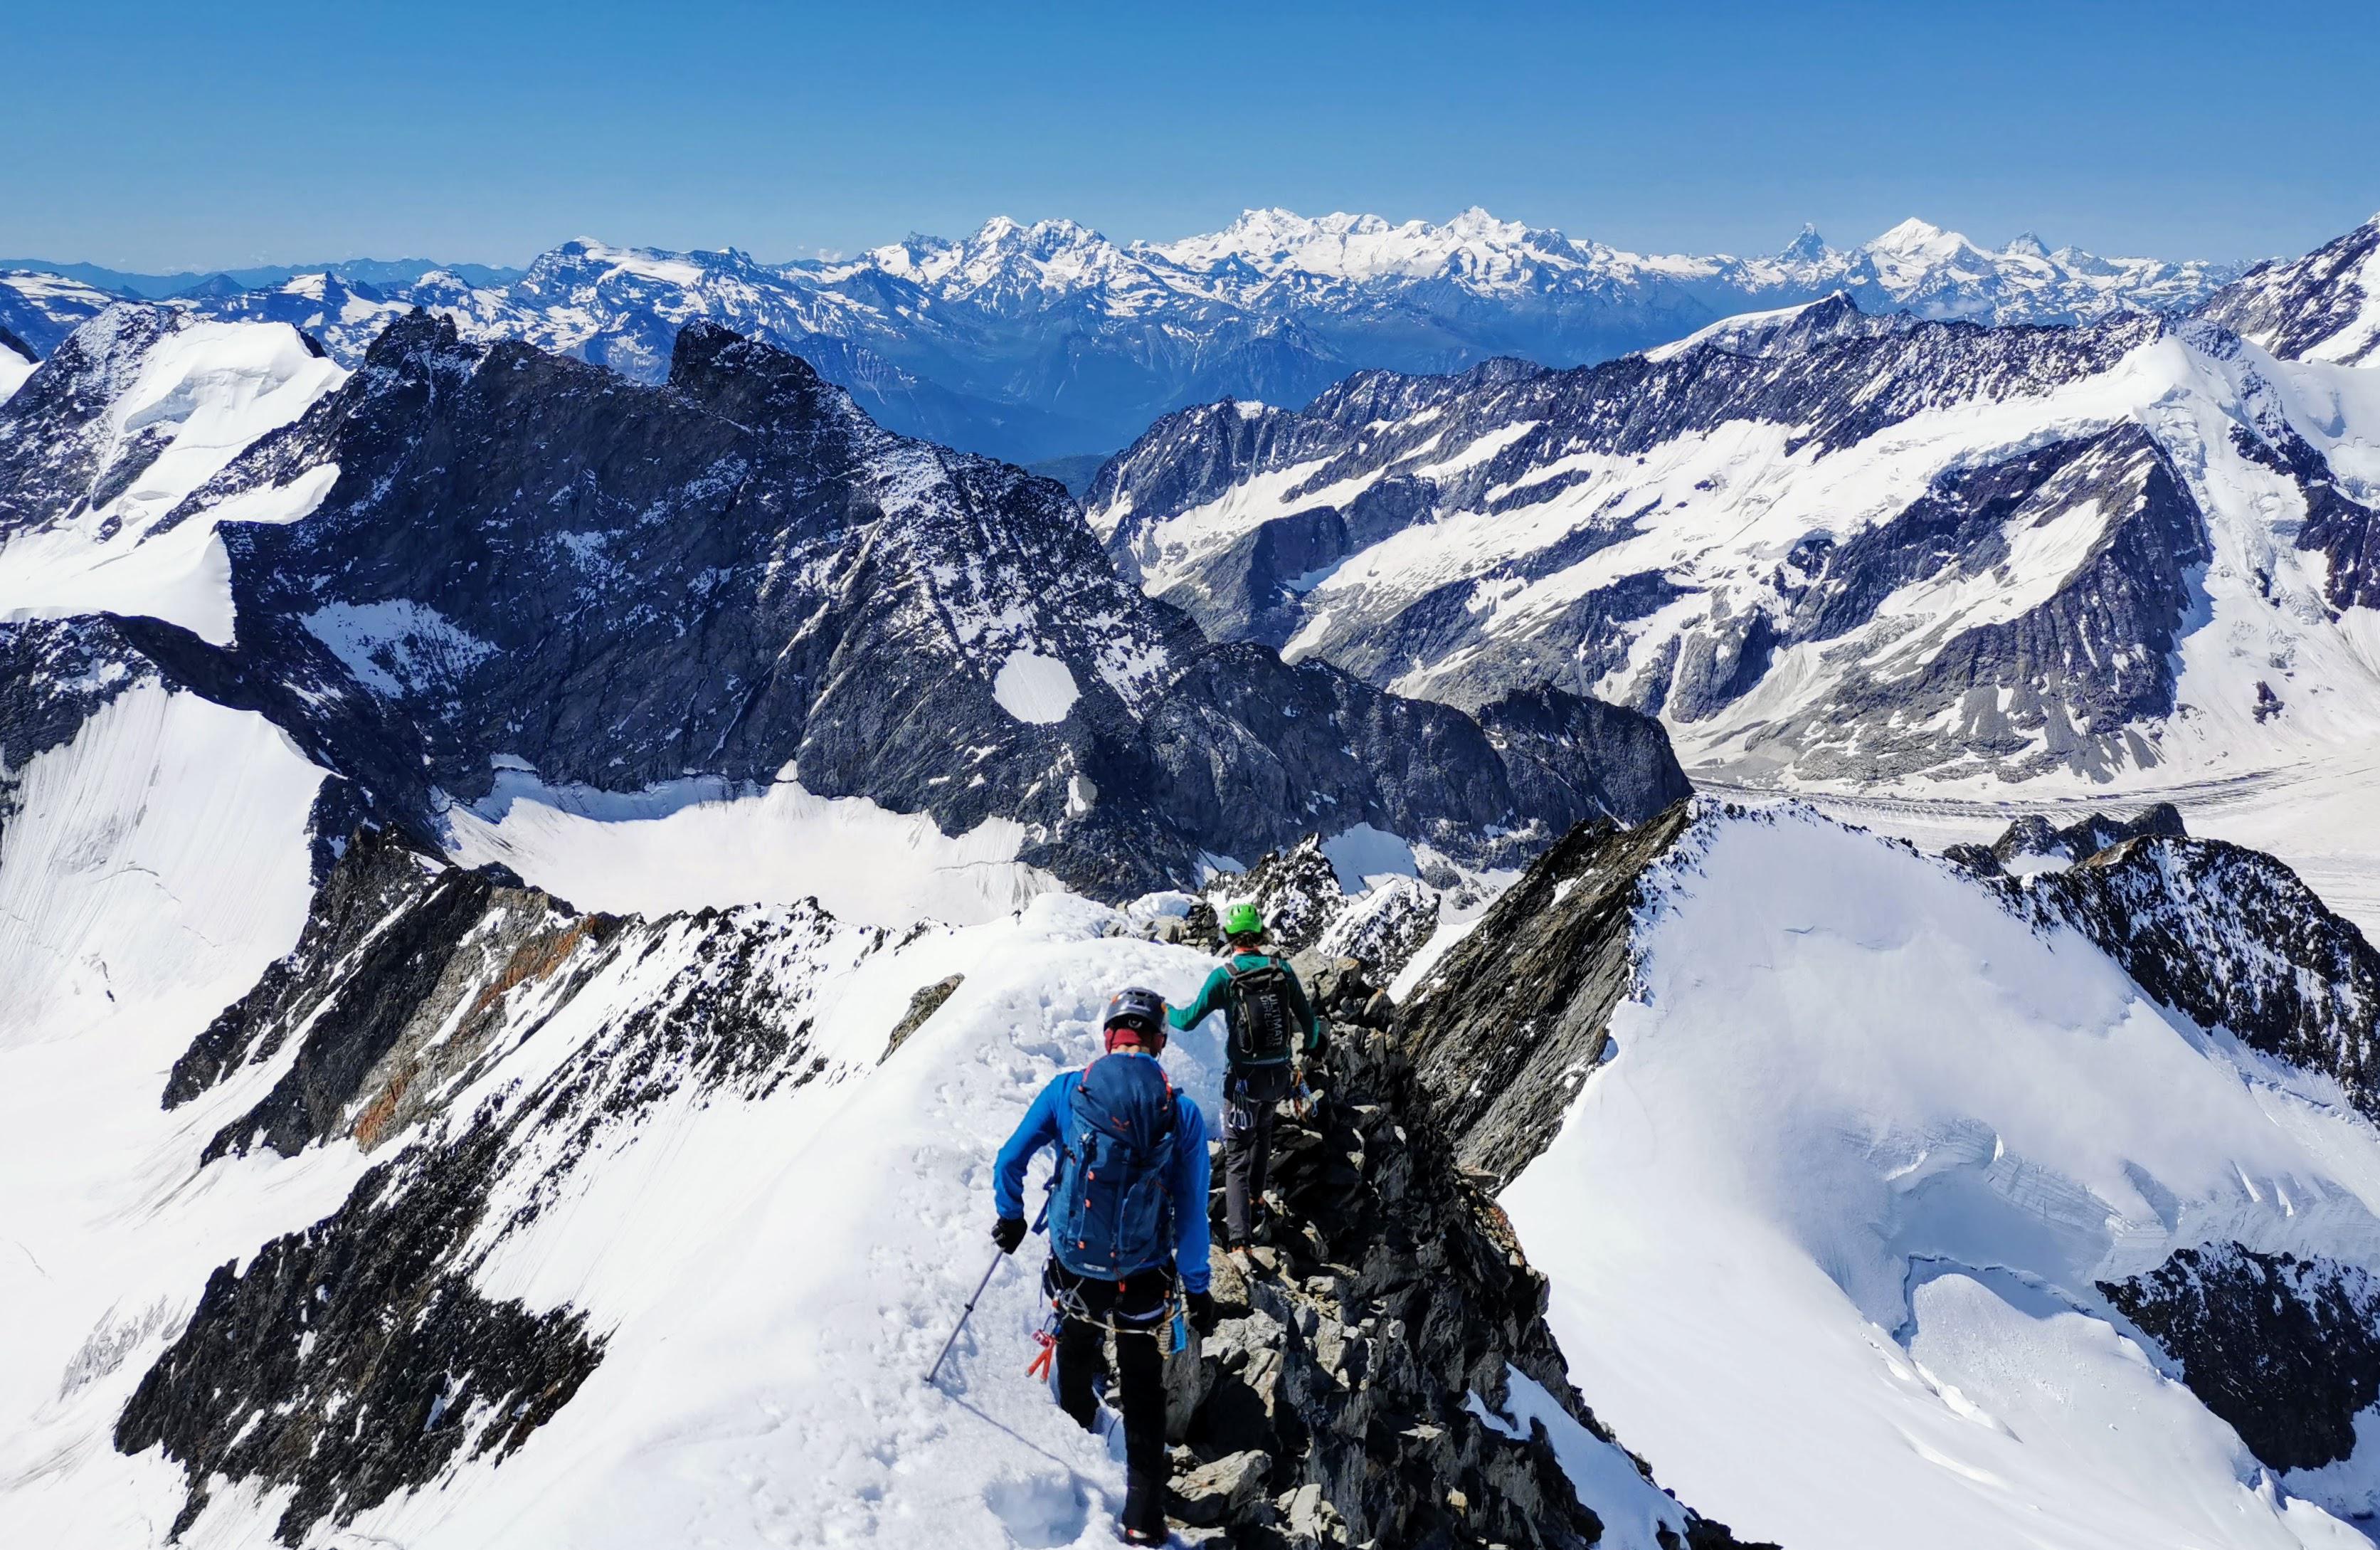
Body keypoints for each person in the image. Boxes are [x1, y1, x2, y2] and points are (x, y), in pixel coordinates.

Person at [993, 987, 1215, 1547]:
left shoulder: (1069, 1090)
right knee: (1142, 1386)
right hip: (1143, 1274)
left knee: (1075, 1342)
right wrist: (1197, 1285)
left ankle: (1073, 1436)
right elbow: (1191, 1209)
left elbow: (1010, 1159)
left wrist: (1010, 1218)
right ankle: (1143, 1514)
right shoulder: (1181, 1111)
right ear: (1159, 1042)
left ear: (1108, 1037)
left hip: (1074, 1267)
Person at [1167, 904, 1322, 1250]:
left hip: (1242, 1081)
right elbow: (1309, 1023)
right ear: (1260, 934)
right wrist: (1313, 1047)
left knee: (1237, 1154)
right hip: (1279, 1078)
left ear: (1230, 937)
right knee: (1264, 1132)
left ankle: (1239, 1239)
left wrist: (1165, 1011)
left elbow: (1189, 1019)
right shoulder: (1281, 970)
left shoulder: (1226, 976)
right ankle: (1256, 1199)